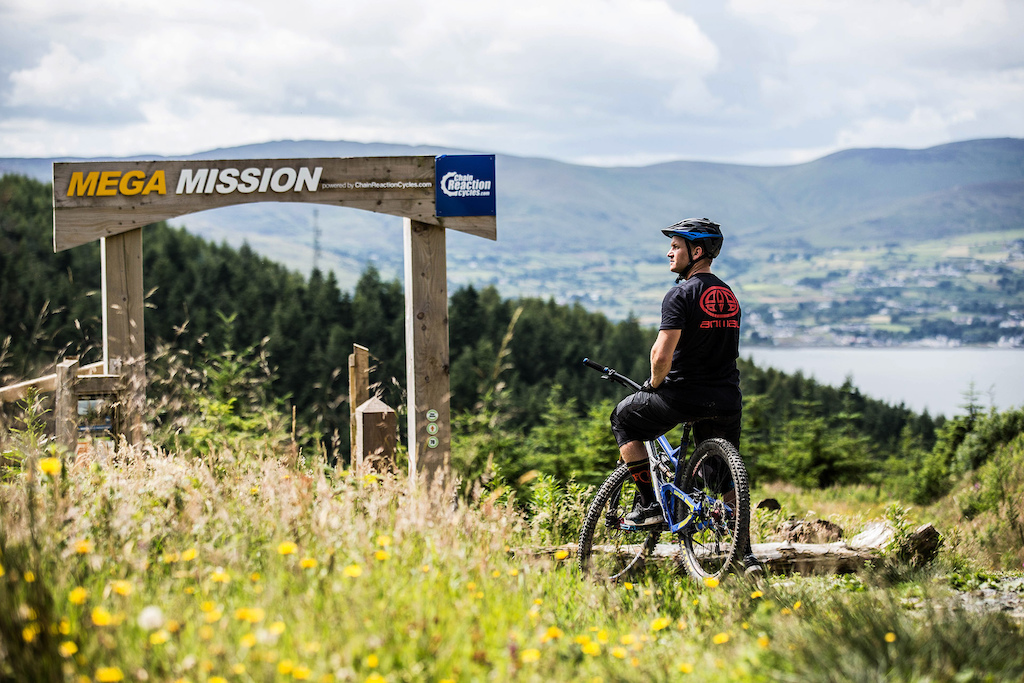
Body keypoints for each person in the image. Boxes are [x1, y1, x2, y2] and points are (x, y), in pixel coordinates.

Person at [609, 217, 761, 575]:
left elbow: (661, 356)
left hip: (683, 395)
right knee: (724, 478)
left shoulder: (681, 293)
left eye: (675, 246)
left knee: (623, 418)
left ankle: (647, 505)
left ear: (696, 251)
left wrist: (654, 384)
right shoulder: (728, 294)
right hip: (726, 398)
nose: (669, 252)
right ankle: (747, 555)